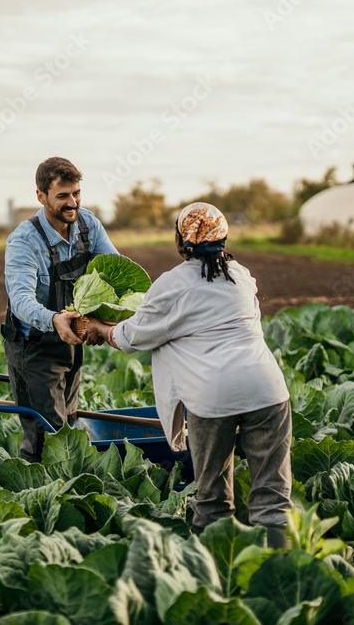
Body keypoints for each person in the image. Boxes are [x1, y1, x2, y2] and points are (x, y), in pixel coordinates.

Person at [85, 202, 293, 548]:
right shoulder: (240, 276)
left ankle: (213, 575)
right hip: (267, 391)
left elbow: (132, 337)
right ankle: (282, 575)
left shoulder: (173, 284)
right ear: (222, 238)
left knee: (212, 499)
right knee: (273, 496)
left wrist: (97, 326)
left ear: (182, 242)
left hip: (213, 397)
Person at [1, 157, 118, 463]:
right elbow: (21, 300)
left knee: (69, 426)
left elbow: (116, 271)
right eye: (63, 196)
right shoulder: (24, 242)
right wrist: (54, 319)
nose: (73, 202)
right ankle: (34, 498)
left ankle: (68, 493)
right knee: (47, 436)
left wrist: (106, 318)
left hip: (72, 343)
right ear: (41, 196)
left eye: (76, 193)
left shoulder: (87, 225)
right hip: (35, 349)